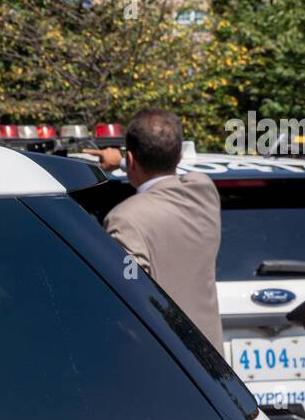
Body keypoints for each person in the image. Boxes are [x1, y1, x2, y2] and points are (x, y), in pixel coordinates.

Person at [85, 109, 223, 350]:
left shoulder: (124, 219)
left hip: (166, 360)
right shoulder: (205, 192)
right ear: (179, 156)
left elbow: (129, 295)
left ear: (132, 160)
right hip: (212, 368)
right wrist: (126, 160)